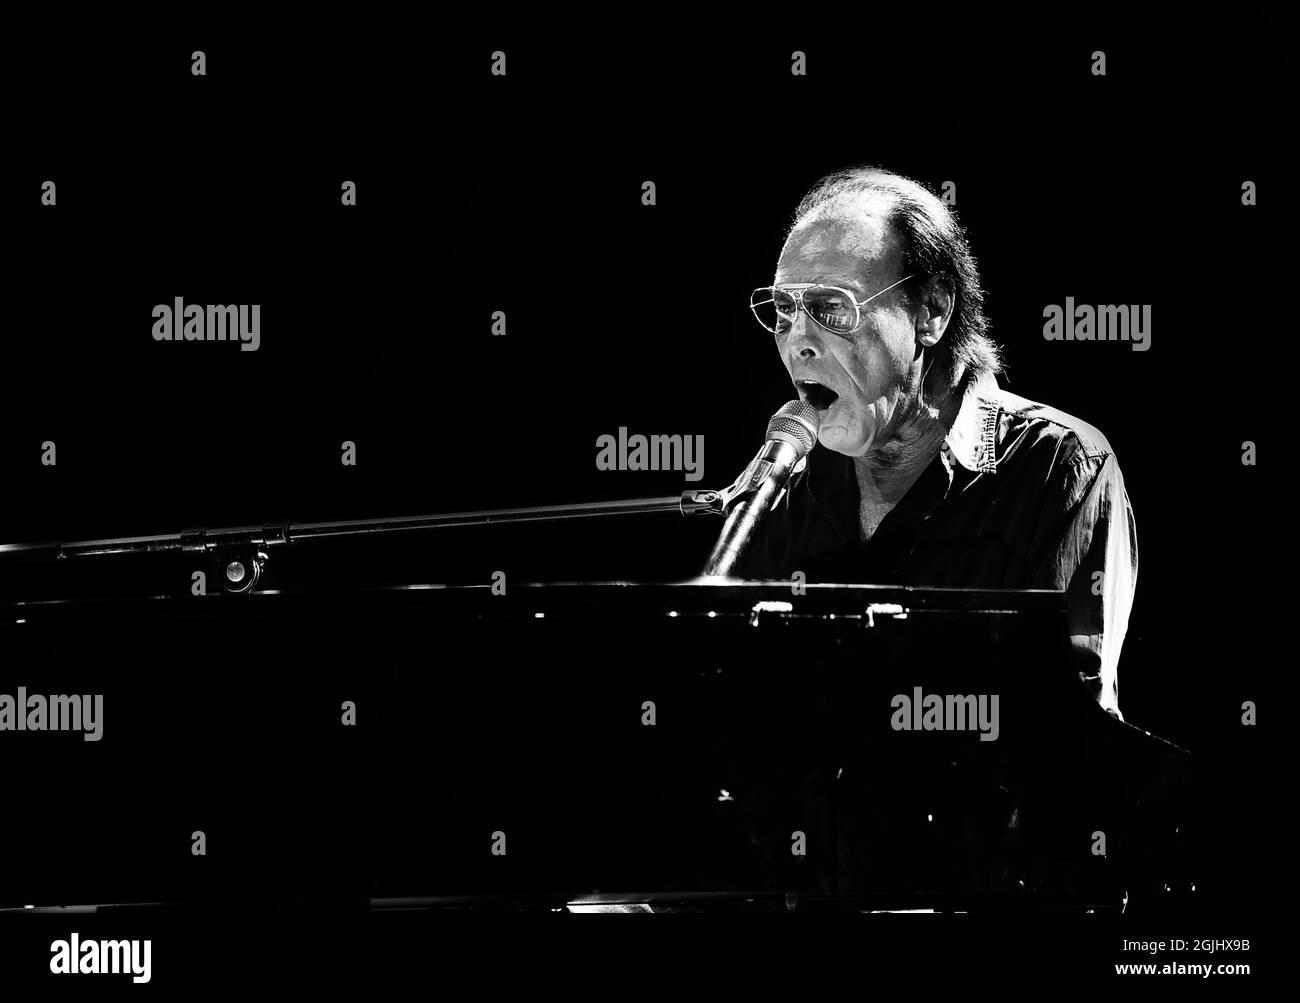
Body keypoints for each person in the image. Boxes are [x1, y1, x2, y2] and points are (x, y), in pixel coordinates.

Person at [740, 166, 1137, 719]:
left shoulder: (1060, 467)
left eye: (831, 307)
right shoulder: (782, 488)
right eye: (784, 310)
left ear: (930, 312)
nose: (798, 341)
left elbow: (1065, 738)